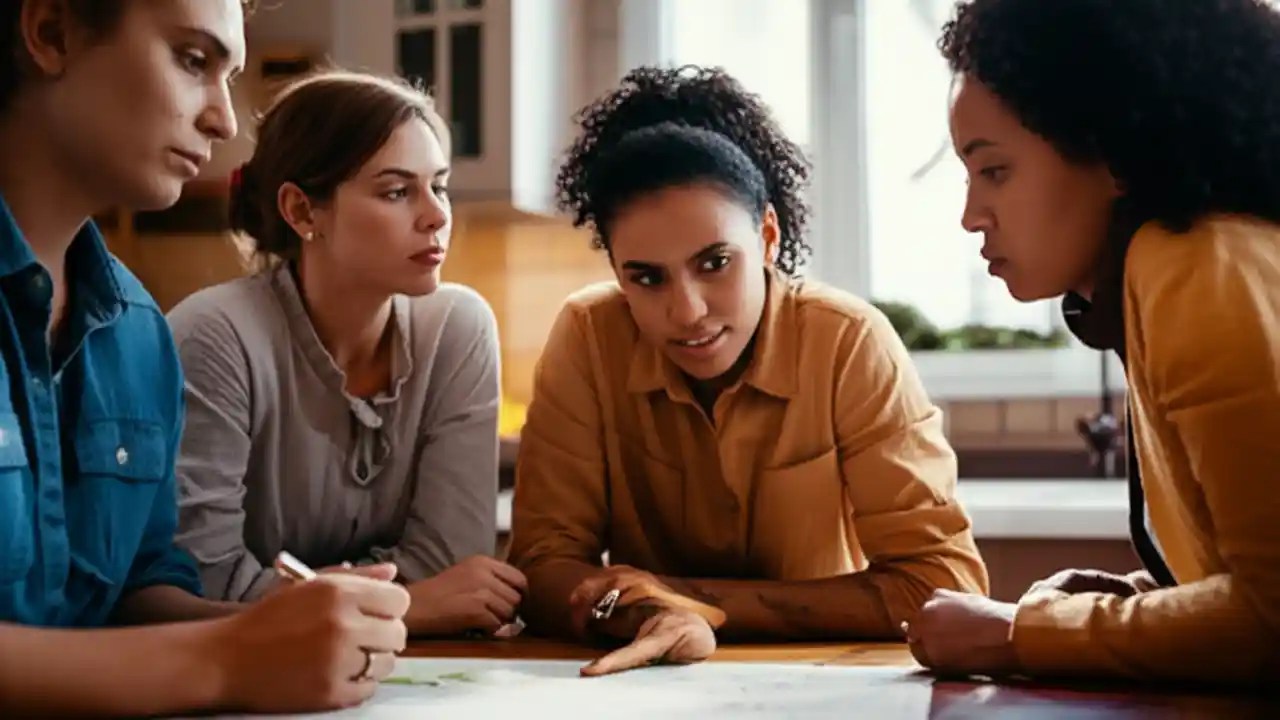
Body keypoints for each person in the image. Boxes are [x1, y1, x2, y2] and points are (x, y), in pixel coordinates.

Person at [0, 1, 411, 716]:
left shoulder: (137, 331)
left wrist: (285, 630)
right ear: (52, 32)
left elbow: (135, 592)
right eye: (194, 61)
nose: (224, 120)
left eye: (232, 76)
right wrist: (223, 659)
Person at [508, 65, 988, 676]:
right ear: (616, 270)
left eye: (714, 262)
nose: (687, 311)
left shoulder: (847, 341)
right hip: (645, 679)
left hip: (828, 684)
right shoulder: (587, 335)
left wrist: (689, 602)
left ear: (767, 236)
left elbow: (941, 582)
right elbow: (542, 565)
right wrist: (641, 616)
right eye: (646, 278)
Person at [905, 0, 1280, 688]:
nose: (970, 215)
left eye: (994, 171)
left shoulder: (1197, 269)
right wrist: (1139, 597)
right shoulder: (1185, 267)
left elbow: (1271, 616)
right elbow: (1245, 583)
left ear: (1113, 155)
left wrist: (1018, 634)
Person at [168, 69, 526, 638]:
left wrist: (314, 593)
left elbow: (454, 564)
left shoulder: (458, 328)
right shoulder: (216, 335)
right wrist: (417, 603)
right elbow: (204, 582)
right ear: (304, 213)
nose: (437, 215)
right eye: (396, 191)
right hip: (251, 669)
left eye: (441, 185)